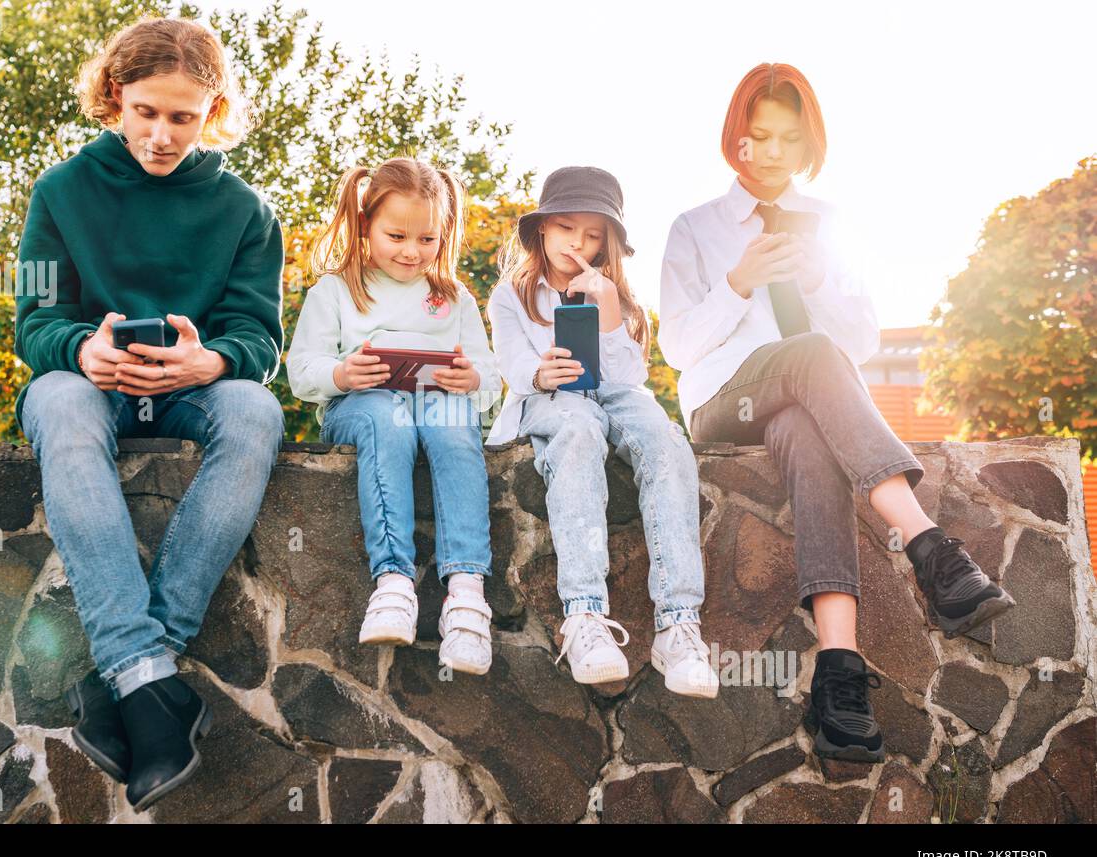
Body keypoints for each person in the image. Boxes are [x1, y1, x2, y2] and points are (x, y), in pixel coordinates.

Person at [658, 62, 1015, 761]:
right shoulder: (694, 228)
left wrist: (817, 277)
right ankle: (930, 547)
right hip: (722, 400)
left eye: (789, 139)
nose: (770, 154)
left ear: (808, 144)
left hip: (800, 402)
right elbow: (675, 346)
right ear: (736, 139)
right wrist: (737, 284)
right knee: (810, 356)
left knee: (809, 429)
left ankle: (839, 678)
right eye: (756, 137)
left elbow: (860, 343)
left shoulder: (831, 225)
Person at [14, 17, 286, 810]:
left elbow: (257, 338)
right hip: (87, 388)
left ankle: (135, 672)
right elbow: (34, 321)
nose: (162, 134)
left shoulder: (245, 210)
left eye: (183, 116)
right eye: (145, 112)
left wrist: (215, 360)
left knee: (256, 412)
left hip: (192, 390)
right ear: (113, 97)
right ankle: (154, 686)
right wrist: (79, 348)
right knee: (60, 399)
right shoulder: (60, 190)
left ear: (213, 111)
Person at [487, 166, 718, 696]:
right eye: (567, 228)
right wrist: (539, 372)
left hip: (613, 395)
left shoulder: (619, 297)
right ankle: (585, 615)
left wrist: (608, 309)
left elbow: (629, 378)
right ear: (541, 230)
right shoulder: (511, 295)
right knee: (579, 426)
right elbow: (512, 363)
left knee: (666, 441)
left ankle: (679, 624)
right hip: (547, 399)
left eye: (594, 235)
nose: (579, 243)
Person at [287, 158, 501, 675]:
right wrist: (342, 374)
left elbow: (490, 378)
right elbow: (302, 370)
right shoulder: (335, 291)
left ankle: (467, 593)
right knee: (387, 420)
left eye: (427, 239)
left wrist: (471, 381)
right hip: (361, 405)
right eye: (397, 235)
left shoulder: (453, 298)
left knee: (455, 422)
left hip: (435, 401)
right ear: (365, 226)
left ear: (443, 235)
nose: (412, 251)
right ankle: (394, 583)